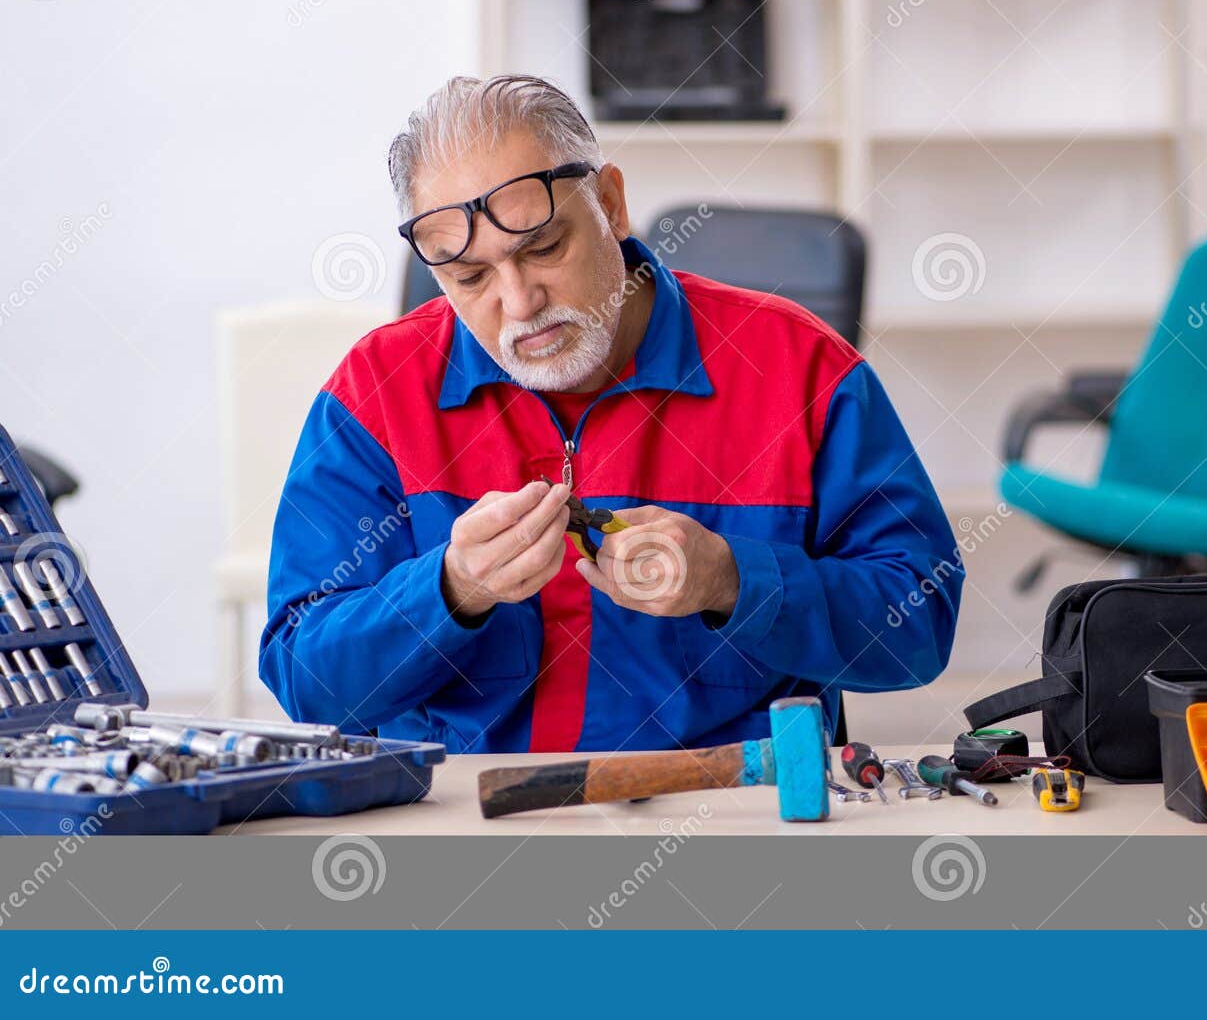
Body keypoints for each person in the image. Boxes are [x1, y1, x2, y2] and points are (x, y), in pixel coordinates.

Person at [259, 75, 961, 752]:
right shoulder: (376, 392)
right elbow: (306, 678)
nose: (520, 301)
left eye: (545, 247)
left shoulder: (800, 367)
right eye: (471, 277)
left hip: (723, 811)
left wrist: (733, 579)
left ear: (611, 205)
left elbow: (919, 625)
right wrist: (449, 588)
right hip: (467, 819)